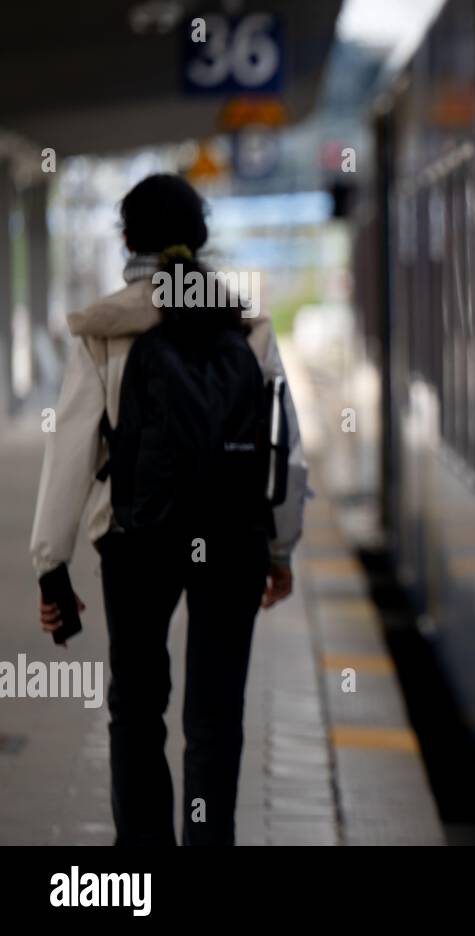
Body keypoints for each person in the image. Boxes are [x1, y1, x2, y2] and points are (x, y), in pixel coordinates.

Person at [30, 173, 309, 846]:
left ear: (128, 239)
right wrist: (279, 549)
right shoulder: (247, 323)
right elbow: (287, 452)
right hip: (233, 537)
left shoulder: (103, 328)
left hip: (137, 540)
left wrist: (51, 569)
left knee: (135, 710)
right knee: (214, 718)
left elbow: (69, 449)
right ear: (201, 238)